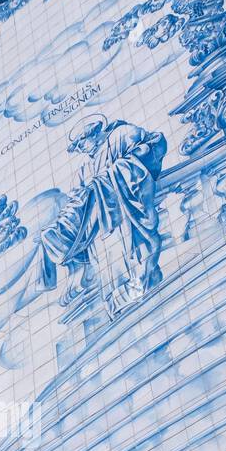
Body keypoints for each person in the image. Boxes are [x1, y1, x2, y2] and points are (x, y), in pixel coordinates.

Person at [38, 114, 167, 308]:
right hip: (101, 232)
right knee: (109, 265)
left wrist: (106, 179)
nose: (81, 149)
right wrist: (58, 228)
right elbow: (77, 202)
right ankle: (121, 302)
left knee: (133, 258)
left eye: (82, 143)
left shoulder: (122, 135)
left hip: (126, 216)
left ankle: (143, 285)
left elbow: (153, 148)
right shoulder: (84, 169)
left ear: (94, 133)